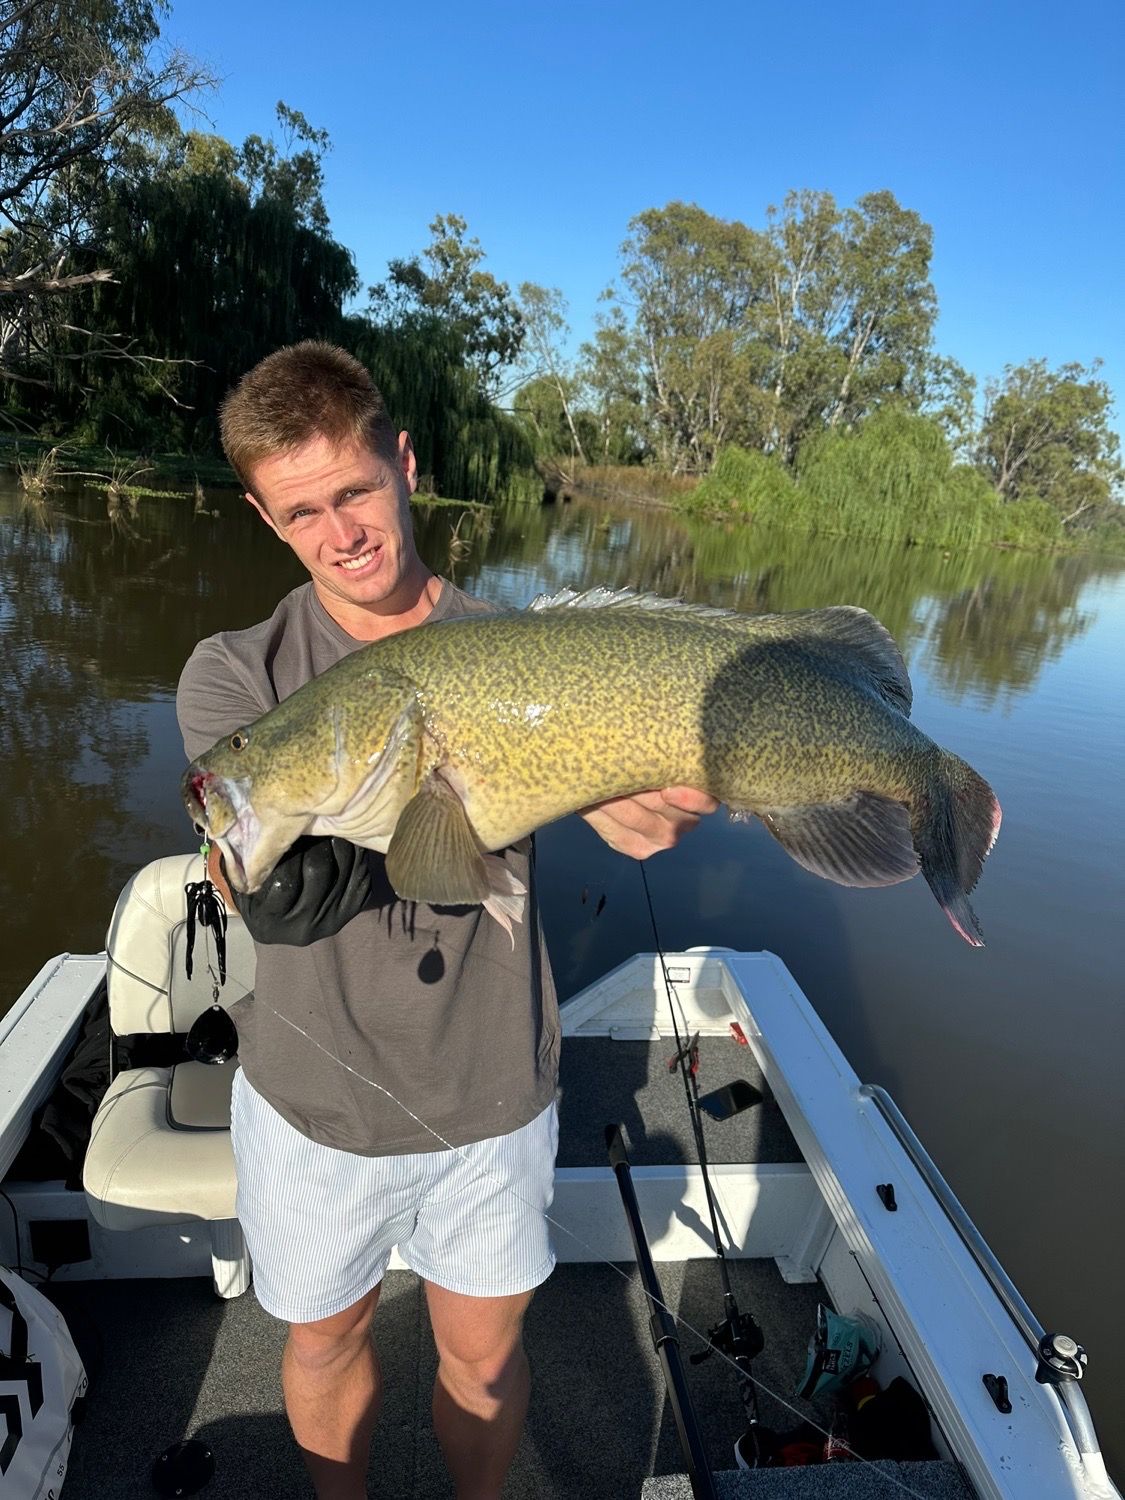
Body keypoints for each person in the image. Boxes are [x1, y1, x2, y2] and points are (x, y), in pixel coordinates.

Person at [176, 341, 717, 1500]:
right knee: (323, 1339)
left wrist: (646, 808)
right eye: (302, 511)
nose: (340, 533)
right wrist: (268, 875)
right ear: (265, 518)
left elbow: (622, 800)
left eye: (356, 490)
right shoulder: (236, 675)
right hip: (315, 1105)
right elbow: (257, 866)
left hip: (492, 1087)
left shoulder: (521, 650)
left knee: (483, 1357)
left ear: (406, 466)